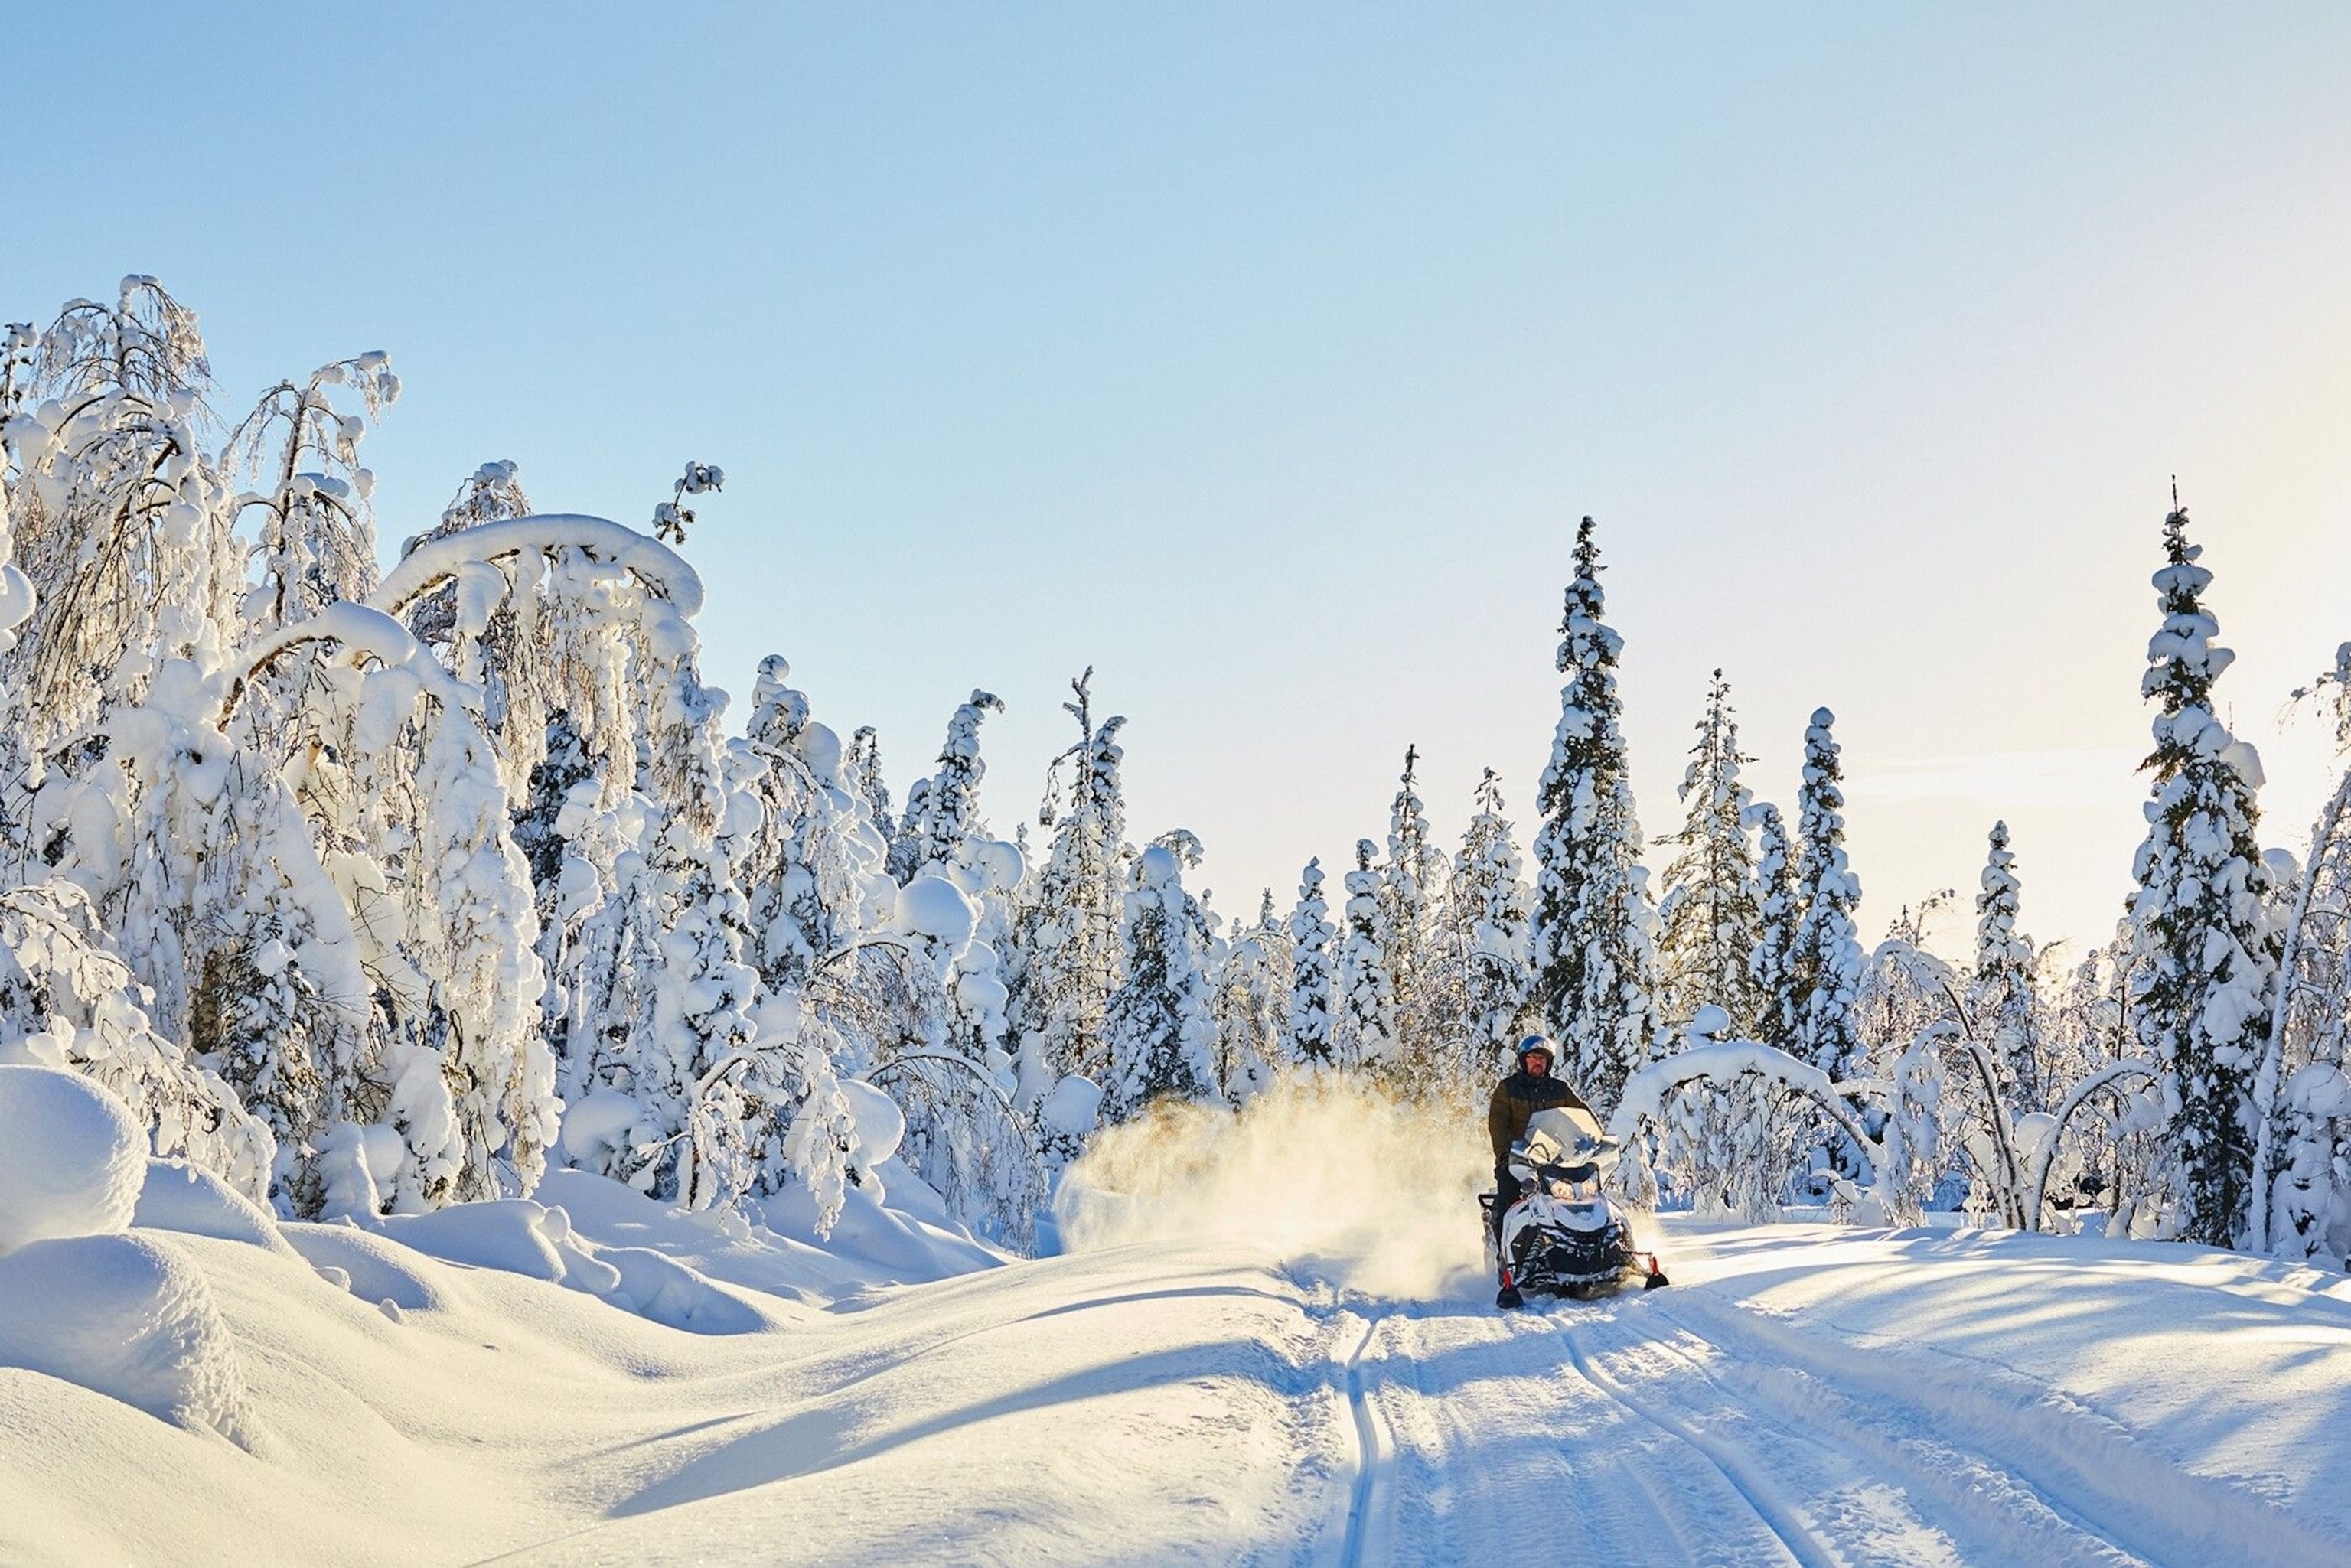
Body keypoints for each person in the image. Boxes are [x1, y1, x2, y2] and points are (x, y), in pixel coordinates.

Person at [1487, 1034, 1592, 1246]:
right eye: (1534, 1057)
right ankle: (1504, 1253)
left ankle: (1591, 1241)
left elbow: (1580, 1112)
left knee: (1586, 1194)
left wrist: (1590, 1140)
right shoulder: (1508, 1088)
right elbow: (1497, 1123)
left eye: (1543, 1059)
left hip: (1556, 1160)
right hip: (1519, 1160)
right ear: (1524, 1060)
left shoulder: (1560, 1089)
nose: (1539, 1062)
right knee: (1509, 1196)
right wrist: (1504, 1155)